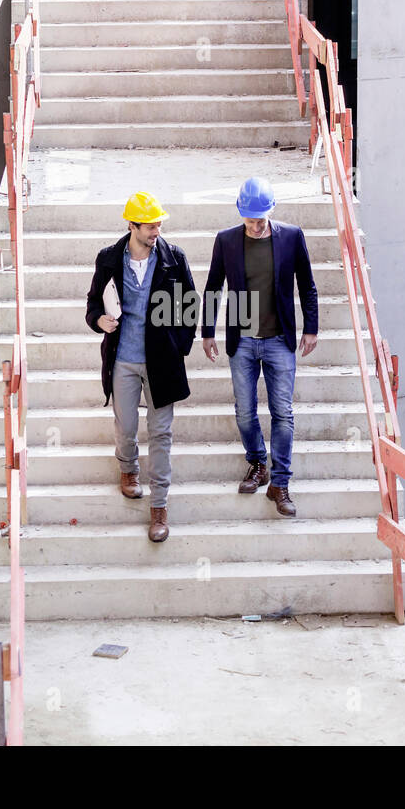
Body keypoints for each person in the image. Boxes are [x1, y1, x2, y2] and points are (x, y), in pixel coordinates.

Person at [200, 177, 317, 516]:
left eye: (260, 219)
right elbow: (212, 288)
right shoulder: (226, 241)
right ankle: (257, 463)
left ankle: (280, 483)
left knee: (283, 413)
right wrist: (207, 332)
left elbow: (307, 286)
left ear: (271, 212)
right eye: (249, 219)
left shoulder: (292, 237)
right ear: (240, 214)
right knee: (245, 412)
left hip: (280, 339)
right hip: (243, 340)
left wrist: (311, 327)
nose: (254, 225)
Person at [84, 192, 196, 542]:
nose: (156, 231)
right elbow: (92, 303)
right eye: (150, 226)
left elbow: (190, 308)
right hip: (124, 359)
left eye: (159, 224)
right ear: (132, 226)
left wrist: (178, 347)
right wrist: (98, 320)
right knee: (126, 425)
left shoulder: (174, 258)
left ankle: (159, 506)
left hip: (162, 362)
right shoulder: (108, 259)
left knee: (161, 433)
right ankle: (129, 469)